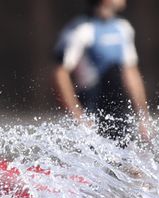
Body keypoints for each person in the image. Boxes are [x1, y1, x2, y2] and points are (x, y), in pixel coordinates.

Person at [52, 0, 150, 144]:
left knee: (126, 155)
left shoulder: (123, 28)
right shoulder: (81, 28)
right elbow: (60, 73)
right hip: (91, 104)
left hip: (118, 107)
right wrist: (77, 114)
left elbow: (131, 73)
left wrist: (143, 116)